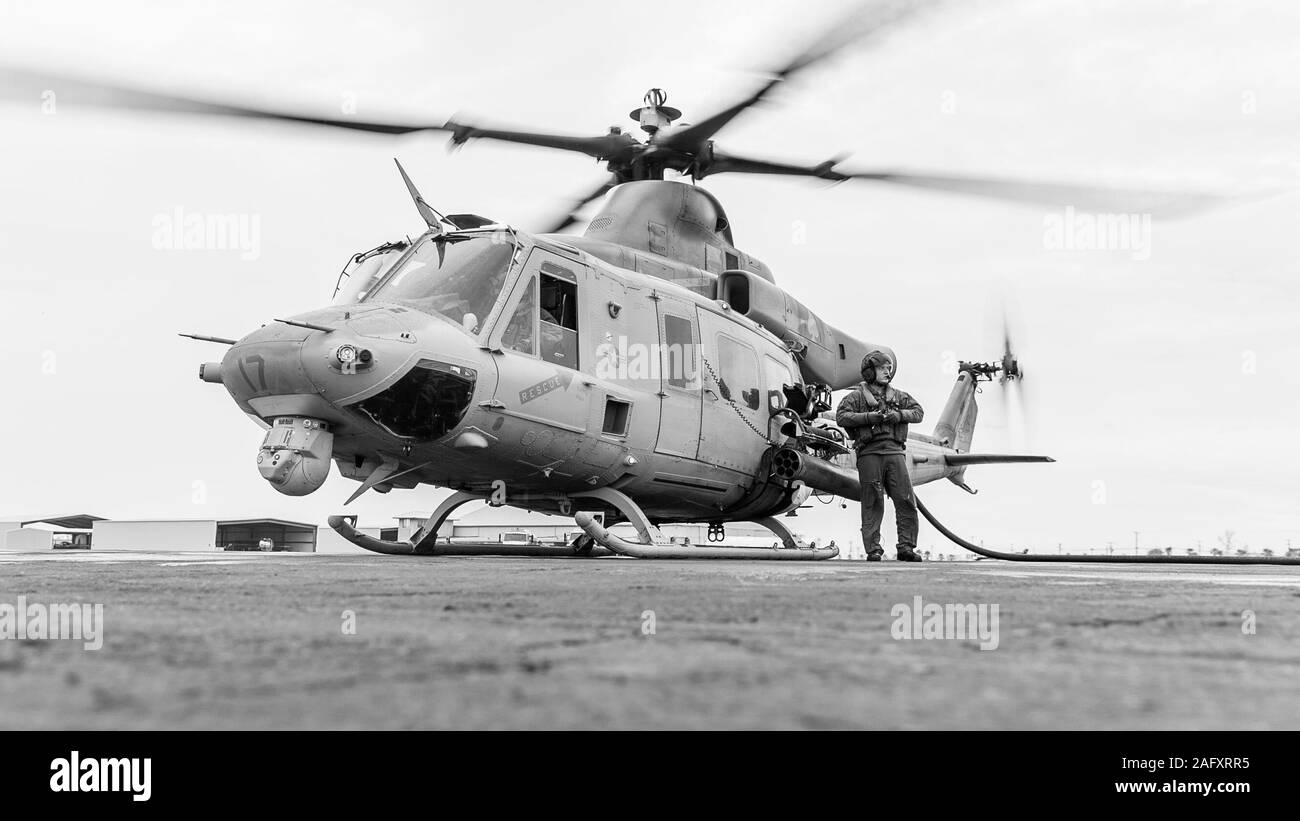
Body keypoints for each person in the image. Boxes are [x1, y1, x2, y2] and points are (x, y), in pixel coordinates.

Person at [835, 350, 925, 562]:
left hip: (895, 453)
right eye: (882, 368)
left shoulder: (900, 397)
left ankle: (906, 548)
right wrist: (868, 417)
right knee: (872, 502)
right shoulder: (855, 397)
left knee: (905, 499)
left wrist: (900, 415)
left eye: (889, 368)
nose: (888, 372)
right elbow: (842, 417)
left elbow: (918, 412)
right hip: (869, 454)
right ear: (869, 372)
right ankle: (873, 549)